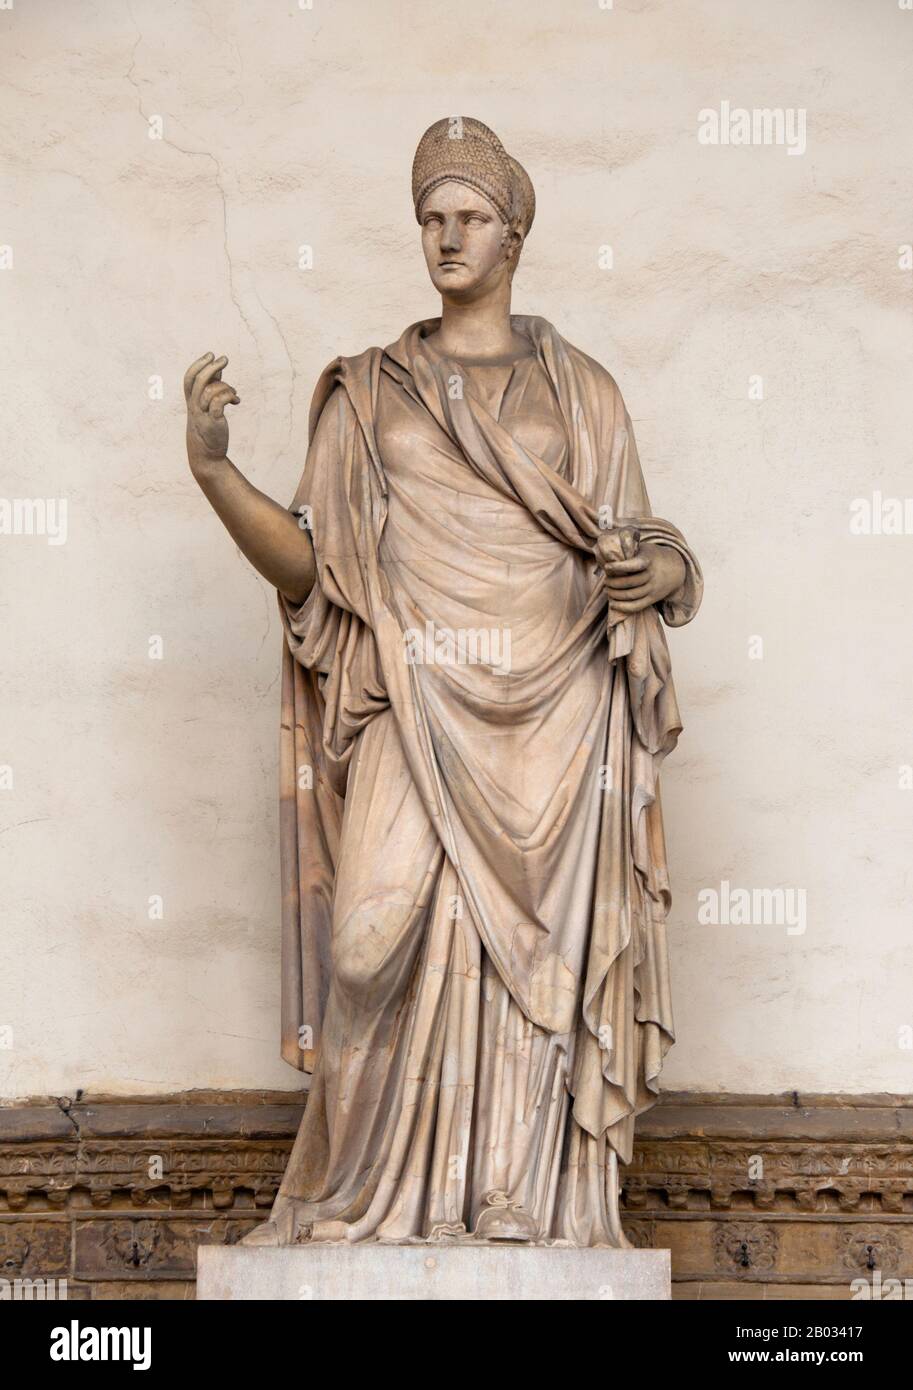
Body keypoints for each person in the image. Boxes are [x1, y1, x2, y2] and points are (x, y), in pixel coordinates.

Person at [184, 117, 702, 1246]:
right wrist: (215, 475)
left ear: (514, 235)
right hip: (412, 699)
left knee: (538, 956)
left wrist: (658, 569)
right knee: (369, 942)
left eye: (467, 217)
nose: (444, 236)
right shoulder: (370, 393)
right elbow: (314, 568)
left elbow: (645, 541)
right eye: (429, 217)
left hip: (557, 705)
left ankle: (516, 1189)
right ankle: (348, 1199)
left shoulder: (584, 393)